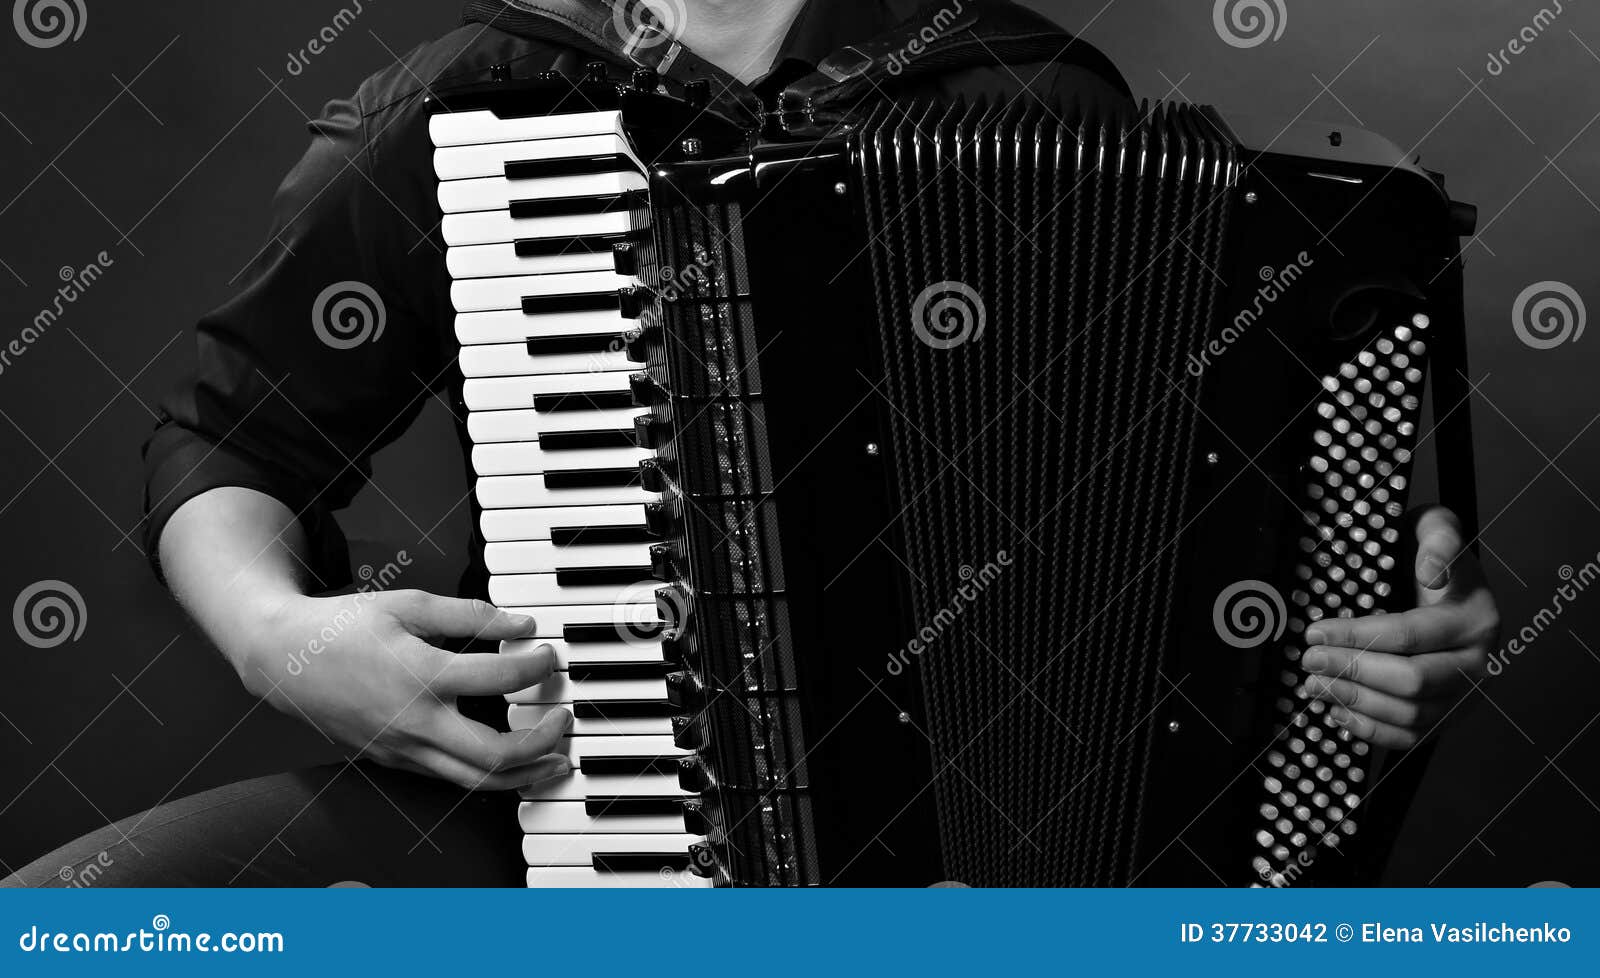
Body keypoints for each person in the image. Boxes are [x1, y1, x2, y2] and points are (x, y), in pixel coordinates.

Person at [3, 0, 1499, 887]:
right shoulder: (480, 97)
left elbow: (1193, 533)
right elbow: (228, 441)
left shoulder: (1024, 96)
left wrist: (1363, 614)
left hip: (963, 865)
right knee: (72, 925)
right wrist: (285, 643)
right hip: (555, 798)